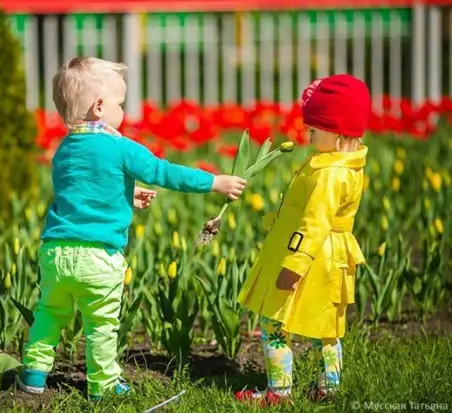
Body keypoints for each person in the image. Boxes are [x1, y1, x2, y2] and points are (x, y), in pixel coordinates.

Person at [18, 56, 247, 400]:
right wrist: (214, 182)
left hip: (56, 253)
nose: (123, 112)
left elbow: (81, 190)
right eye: (120, 104)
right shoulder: (120, 147)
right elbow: (163, 172)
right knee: (101, 325)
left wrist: (127, 193)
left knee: (50, 312)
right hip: (99, 256)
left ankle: (33, 375)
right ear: (99, 106)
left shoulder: (63, 150)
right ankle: (103, 384)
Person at [232, 74, 371, 406]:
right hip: (331, 257)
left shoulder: (329, 174)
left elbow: (314, 223)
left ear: (336, 133)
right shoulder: (343, 165)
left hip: (310, 257)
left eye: (314, 130)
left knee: (274, 323)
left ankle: (279, 393)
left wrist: (293, 265)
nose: (308, 137)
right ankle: (329, 387)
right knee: (327, 327)